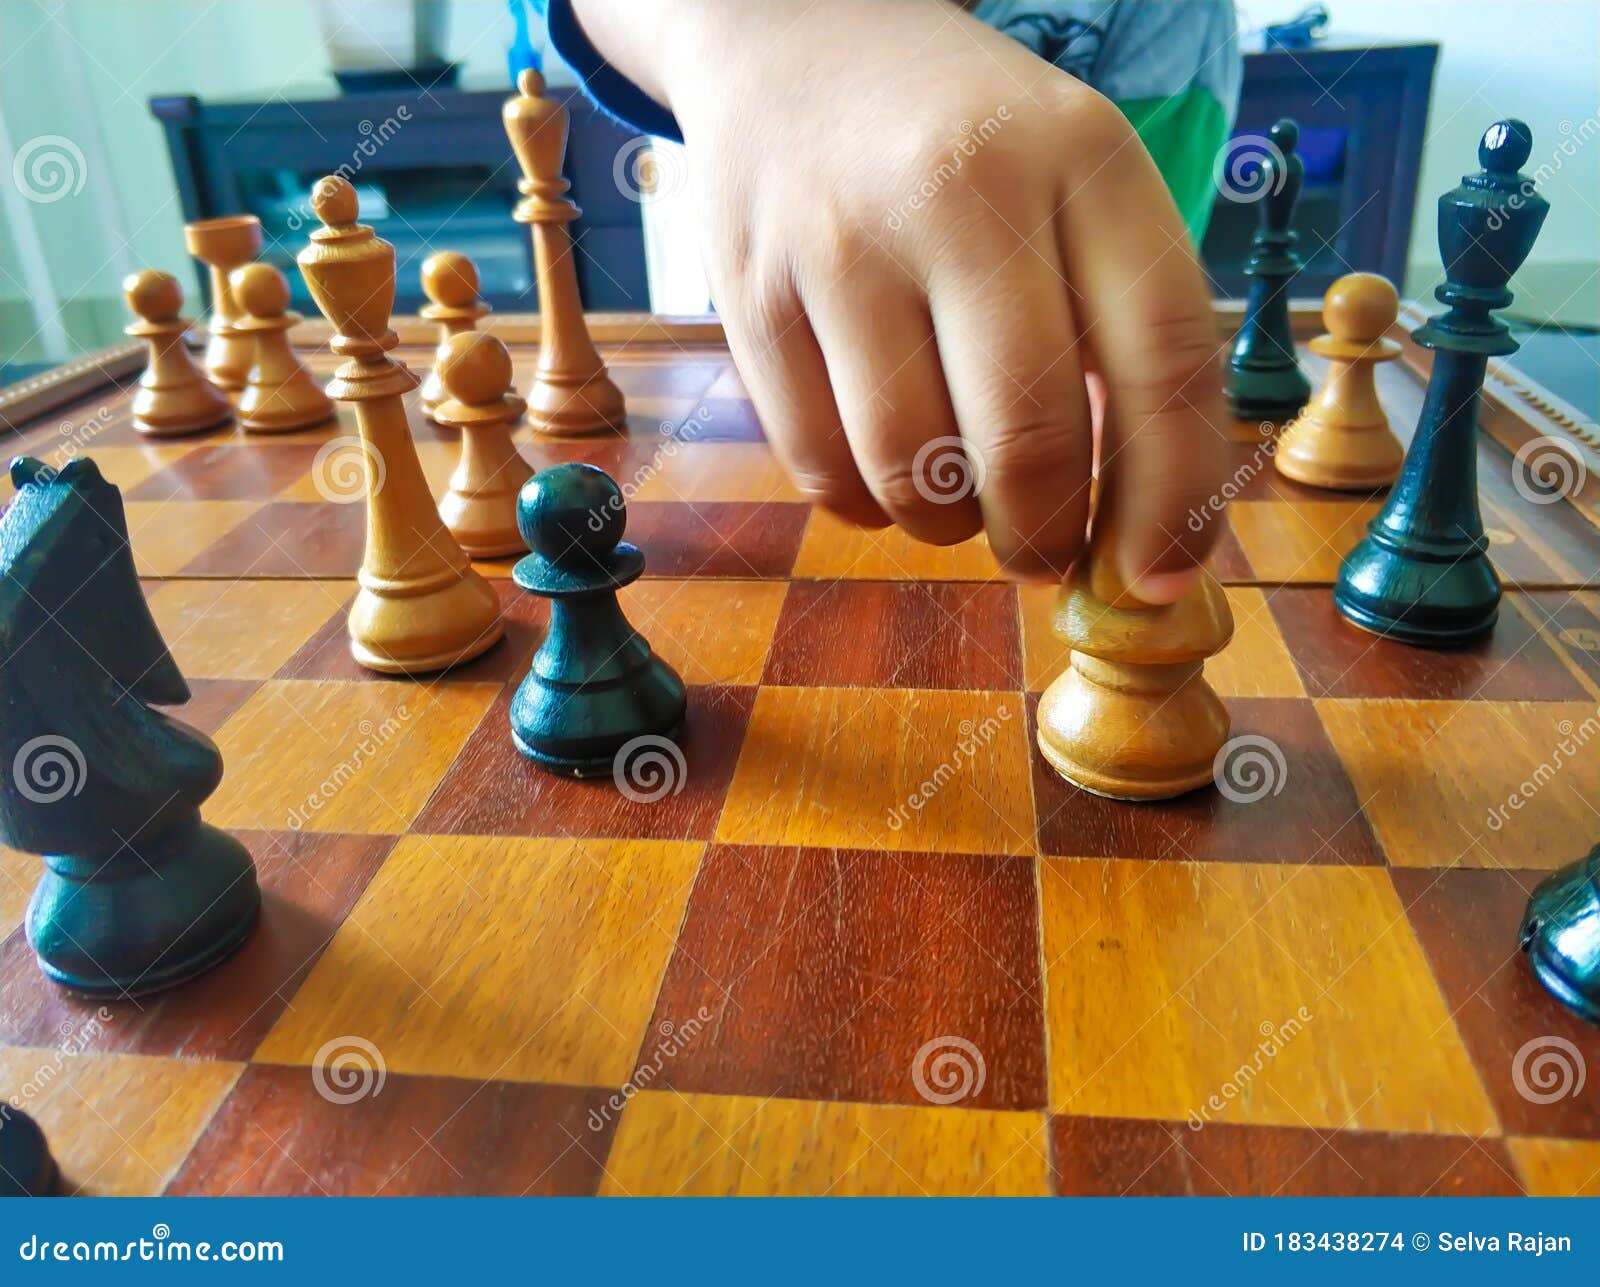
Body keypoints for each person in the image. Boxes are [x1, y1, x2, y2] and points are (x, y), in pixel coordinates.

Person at [547, 0, 1241, 602]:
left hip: (1026, 454)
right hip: (761, 382)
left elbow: (1127, 354)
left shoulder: (1175, 27)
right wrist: (746, 26)